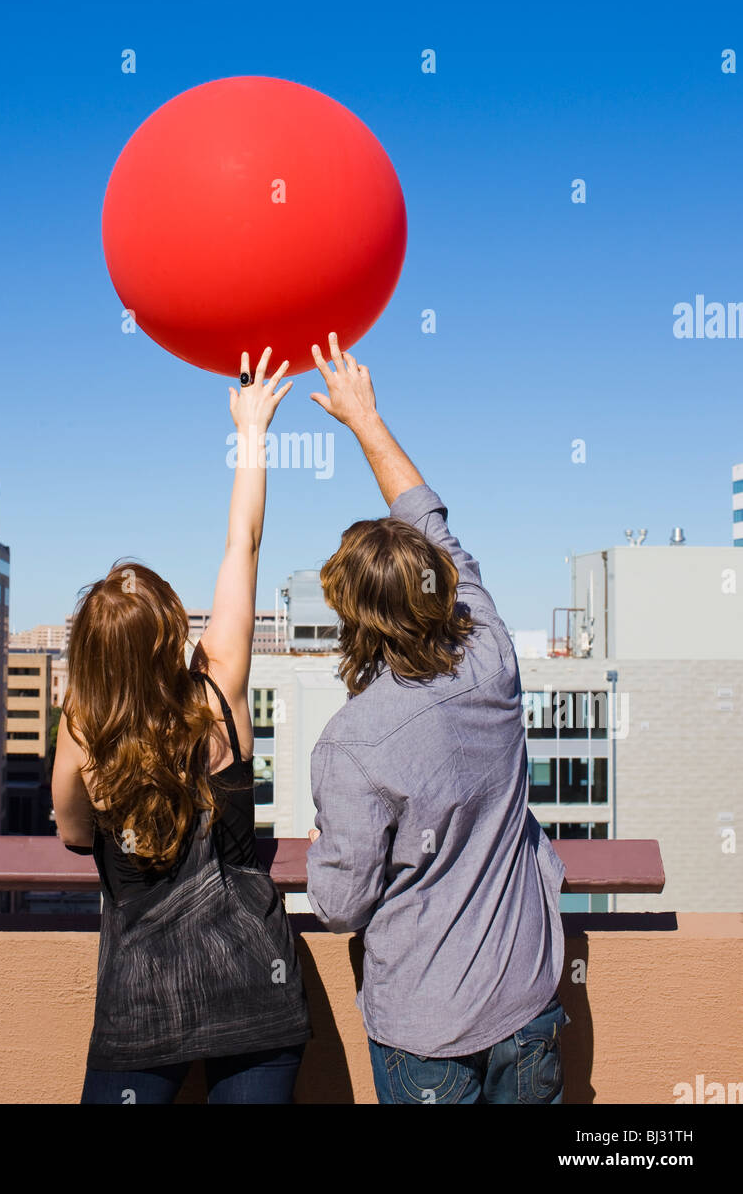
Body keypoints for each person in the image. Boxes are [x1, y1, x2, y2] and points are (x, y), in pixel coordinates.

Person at [305, 333, 569, 1105]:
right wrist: (366, 418)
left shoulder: (352, 743)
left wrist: (328, 848)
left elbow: (340, 906)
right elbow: (428, 514)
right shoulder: (492, 653)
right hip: (526, 1000)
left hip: (426, 1030)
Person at [52, 347, 312, 1105]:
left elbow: (72, 832)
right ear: (173, 629)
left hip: (140, 1005)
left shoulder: (86, 732)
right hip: (255, 995)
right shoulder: (218, 692)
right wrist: (251, 429)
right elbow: (245, 542)